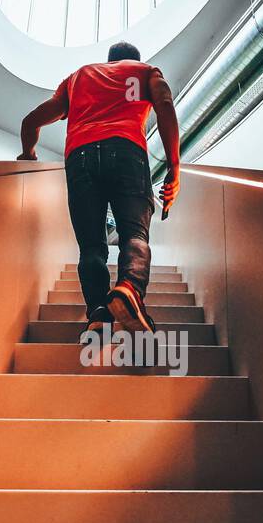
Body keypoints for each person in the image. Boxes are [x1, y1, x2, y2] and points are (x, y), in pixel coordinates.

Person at [17, 41, 180, 338]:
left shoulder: (78, 77)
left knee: (91, 246)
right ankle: (129, 289)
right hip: (127, 151)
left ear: (109, 60)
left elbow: (31, 122)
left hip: (80, 157)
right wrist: (174, 167)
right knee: (135, 233)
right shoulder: (145, 71)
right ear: (134, 59)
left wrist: (28, 154)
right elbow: (165, 105)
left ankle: (98, 314)